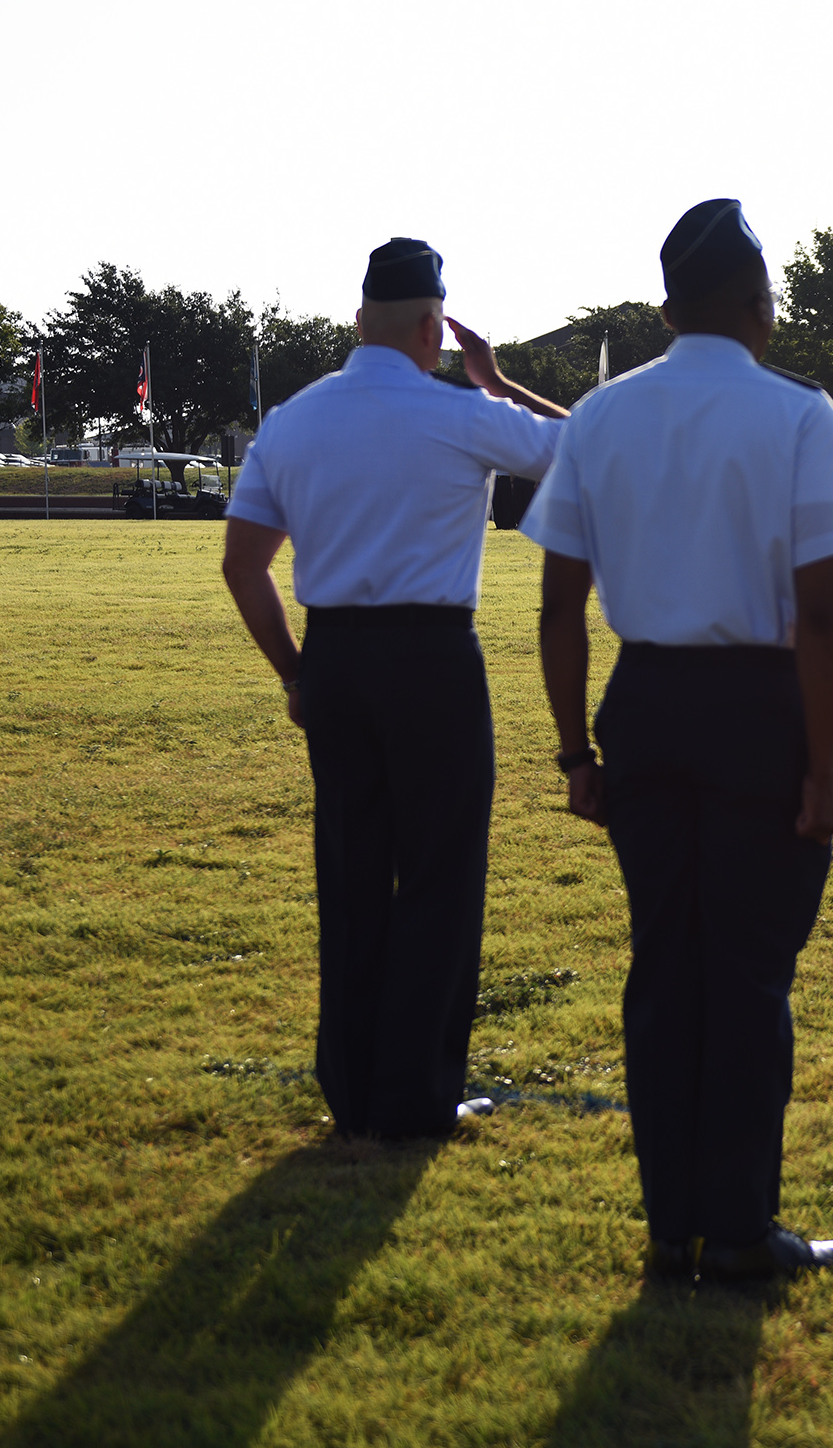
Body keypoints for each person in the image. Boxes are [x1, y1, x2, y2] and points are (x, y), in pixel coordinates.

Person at [526, 198, 833, 1282]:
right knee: (751, 975)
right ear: (756, 306)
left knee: (664, 966)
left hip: (646, 704)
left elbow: (556, 606)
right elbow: (820, 615)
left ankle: (670, 1221)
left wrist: (577, 754)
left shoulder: (600, 415)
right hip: (758, 710)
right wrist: (818, 770)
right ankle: (736, 1226)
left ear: (669, 305)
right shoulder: (799, 414)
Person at [221, 238, 567, 1140]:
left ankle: (353, 1088)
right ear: (432, 326)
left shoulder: (293, 418)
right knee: (442, 878)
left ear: (356, 318)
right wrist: (495, 382)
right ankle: (417, 1092)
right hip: (431, 658)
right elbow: (582, 453)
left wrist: (296, 672)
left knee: (351, 872)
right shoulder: (459, 411)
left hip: (333, 656)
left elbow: (243, 564)